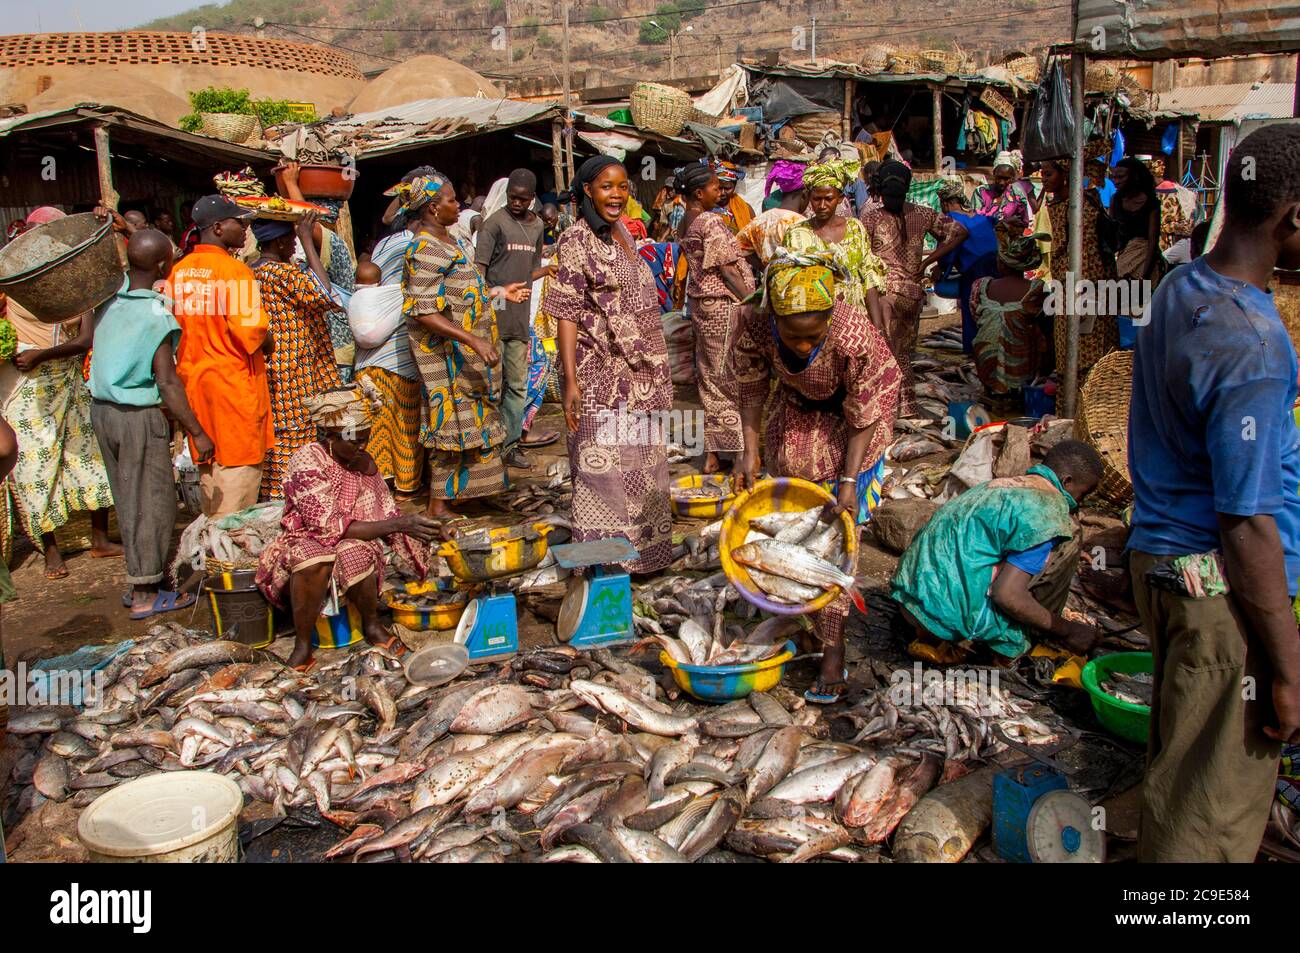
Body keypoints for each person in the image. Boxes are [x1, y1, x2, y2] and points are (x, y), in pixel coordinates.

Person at [1127, 124, 1300, 862]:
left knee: (1183, 767)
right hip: (1219, 589)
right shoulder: (1253, 342)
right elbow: (1247, 524)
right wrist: (1287, 671)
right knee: (1212, 813)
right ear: (1294, 217)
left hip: (1163, 564)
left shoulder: (1180, 287)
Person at [732, 251, 901, 702]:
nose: (805, 347)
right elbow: (750, 386)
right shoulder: (752, 319)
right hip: (793, 413)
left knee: (839, 537)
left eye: (814, 338)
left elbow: (864, 413)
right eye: (794, 337)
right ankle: (805, 620)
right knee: (791, 526)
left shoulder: (853, 333)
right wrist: (749, 452)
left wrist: (848, 481)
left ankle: (833, 647)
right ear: (774, 319)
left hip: (853, 426)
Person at [543, 156, 674, 574]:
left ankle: (644, 560)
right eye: (606, 187)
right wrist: (569, 381)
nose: (616, 195)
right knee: (601, 474)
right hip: (599, 374)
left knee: (643, 466)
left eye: (622, 186)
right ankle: (604, 567)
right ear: (586, 191)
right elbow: (565, 312)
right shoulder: (575, 240)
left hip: (640, 376)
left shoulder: (623, 233)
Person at [256, 385, 447, 671]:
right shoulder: (308, 459)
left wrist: (427, 528)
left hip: (351, 537)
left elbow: (386, 510)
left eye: (365, 440)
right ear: (331, 436)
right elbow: (328, 527)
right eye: (355, 441)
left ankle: (373, 627)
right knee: (312, 558)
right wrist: (400, 523)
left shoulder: (362, 463)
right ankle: (303, 645)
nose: (362, 447)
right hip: (308, 537)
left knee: (355, 552)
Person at [90, 229, 214, 619]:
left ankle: (142, 580)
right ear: (164, 265)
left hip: (102, 411)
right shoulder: (157, 313)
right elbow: (167, 380)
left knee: (129, 497)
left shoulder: (110, 301)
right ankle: (145, 592)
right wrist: (196, 430)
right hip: (136, 417)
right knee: (153, 501)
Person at [891, 440, 1104, 663]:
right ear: (1066, 481)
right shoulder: (1047, 513)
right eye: (1082, 495)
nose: (1079, 503)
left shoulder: (998, 485)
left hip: (909, 600)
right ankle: (1013, 641)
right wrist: (1066, 630)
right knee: (1071, 536)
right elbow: (1007, 595)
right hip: (940, 619)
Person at [398, 171, 528, 519]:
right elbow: (424, 311)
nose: (459, 206)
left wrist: (500, 293)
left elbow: (462, 293)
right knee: (452, 425)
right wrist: (471, 339)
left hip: (472, 359)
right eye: (452, 200)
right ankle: (439, 505)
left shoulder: (449, 244)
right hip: (449, 361)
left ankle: (472, 494)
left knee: (479, 423)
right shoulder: (423, 250)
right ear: (432, 209)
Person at [2, 208, 118, 578]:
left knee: (91, 459)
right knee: (37, 469)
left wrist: (42, 354)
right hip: (27, 388)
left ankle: (99, 539)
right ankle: (50, 550)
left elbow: (85, 340)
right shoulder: (11, 284)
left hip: (65, 378)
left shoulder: (74, 281)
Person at [168, 194, 272, 518]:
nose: (245, 229)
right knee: (238, 488)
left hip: (195, 390)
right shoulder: (235, 272)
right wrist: (269, 340)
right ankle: (229, 560)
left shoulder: (178, 273)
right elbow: (253, 333)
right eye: (240, 223)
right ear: (217, 227)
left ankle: (213, 550)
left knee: (209, 474)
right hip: (233, 389)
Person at [859, 161, 967, 415]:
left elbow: (860, 254)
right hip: (911, 294)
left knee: (885, 352)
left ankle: (888, 408)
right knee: (903, 352)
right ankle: (905, 407)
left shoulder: (872, 217)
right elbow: (959, 232)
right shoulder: (923, 214)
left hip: (884, 296)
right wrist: (931, 261)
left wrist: (931, 260)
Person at [250, 212, 343, 500]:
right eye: (291, 239)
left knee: (278, 440)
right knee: (296, 442)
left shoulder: (251, 270)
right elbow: (323, 294)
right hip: (294, 371)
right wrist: (307, 238)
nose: (294, 245)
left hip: (273, 367)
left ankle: (278, 502)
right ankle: (295, 505)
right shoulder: (283, 274)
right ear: (278, 242)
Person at [475, 169, 558, 470]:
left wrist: (548, 271)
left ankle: (509, 446)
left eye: (524, 199)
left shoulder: (536, 227)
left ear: (533, 198)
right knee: (489, 388)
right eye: (513, 198)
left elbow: (529, 272)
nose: (518, 203)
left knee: (517, 386)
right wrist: (499, 297)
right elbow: (476, 278)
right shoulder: (493, 225)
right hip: (491, 319)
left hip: (520, 322)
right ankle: (485, 448)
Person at [677, 163, 754, 473]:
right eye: (714, 187)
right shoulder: (710, 221)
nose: (720, 191)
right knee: (730, 378)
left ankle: (712, 453)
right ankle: (736, 454)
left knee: (709, 378)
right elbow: (728, 269)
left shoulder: (686, 220)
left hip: (701, 306)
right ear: (699, 193)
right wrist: (752, 301)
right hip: (722, 305)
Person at [783, 156, 886, 327]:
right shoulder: (797, 234)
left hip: (856, 321)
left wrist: (877, 326)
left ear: (840, 198)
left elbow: (868, 276)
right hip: (816, 323)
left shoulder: (855, 229)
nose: (822, 205)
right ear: (809, 198)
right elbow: (791, 284)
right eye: (817, 199)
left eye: (828, 199)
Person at [1040, 150, 1117, 379]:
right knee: (1072, 352)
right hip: (1073, 287)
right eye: (1042, 174)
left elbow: (1079, 252)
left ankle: (1083, 405)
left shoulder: (1076, 208)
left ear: (1065, 176)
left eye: (1048, 174)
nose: (1043, 179)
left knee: (1084, 353)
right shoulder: (1072, 203)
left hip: (1083, 288)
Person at [970, 226, 1051, 401]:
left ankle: (993, 390)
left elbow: (976, 318)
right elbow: (1046, 322)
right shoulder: (1037, 288)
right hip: (1022, 365)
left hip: (986, 362)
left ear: (1000, 262)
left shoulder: (982, 286)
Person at [935, 179, 1000, 354]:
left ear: (946, 203)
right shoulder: (980, 217)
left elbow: (948, 251)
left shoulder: (951, 219)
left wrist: (940, 268)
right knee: (992, 308)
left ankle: (973, 349)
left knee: (971, 306)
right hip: (997, 266)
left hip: (975, 269)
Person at [1110, 156, 1166, 287]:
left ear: (1135, 177)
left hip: (1144, 258)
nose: (1116, 182)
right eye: (1114, 177)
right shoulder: (1116, 200)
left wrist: (1144, 276)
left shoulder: (1151, 203)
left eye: (1121, 177)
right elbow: (1111, 233)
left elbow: (1153, 240)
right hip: (1124, 256)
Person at [736, 186, 809, 274]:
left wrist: (765, 269)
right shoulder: (802, 224)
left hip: (770, 283)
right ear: (805, 195)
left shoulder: (761, 219)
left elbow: (739, 245)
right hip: (797, 283)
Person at [972, 152, 1034, 224]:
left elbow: (1023, 220)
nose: (1002, 182)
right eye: (999, 178)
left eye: (1006, 179)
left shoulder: (1017, 194)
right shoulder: (981, 192)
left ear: (1012, 178)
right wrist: (1003, 222)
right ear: (994, 174)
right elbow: (976, 219)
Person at [711, 160, 754, 234]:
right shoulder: (706, 208)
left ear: (734, 187)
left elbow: (755, 235)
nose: (722, 193)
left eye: (727, 189)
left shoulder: (745, 208)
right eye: (719, 188)